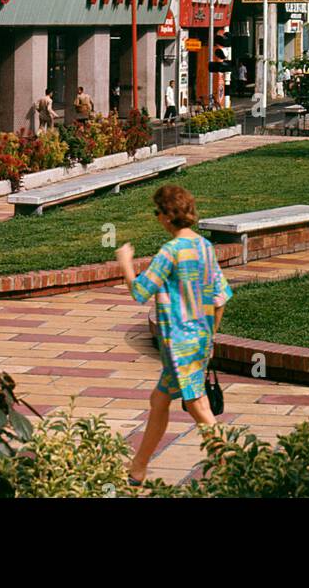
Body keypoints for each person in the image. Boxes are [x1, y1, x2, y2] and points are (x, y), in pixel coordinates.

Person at [116, 184, 231, 486]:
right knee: (159, 400)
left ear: (168, 216)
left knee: (198, 407)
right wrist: (210, 339)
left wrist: (126, 264)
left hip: (179, 345)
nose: (156, 218)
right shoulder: (204, 247)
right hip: (198, 343)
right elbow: (221, 297)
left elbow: (140, 292)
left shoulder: (170, 252)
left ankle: (233, 468)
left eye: (158, 212)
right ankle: (138, 467)